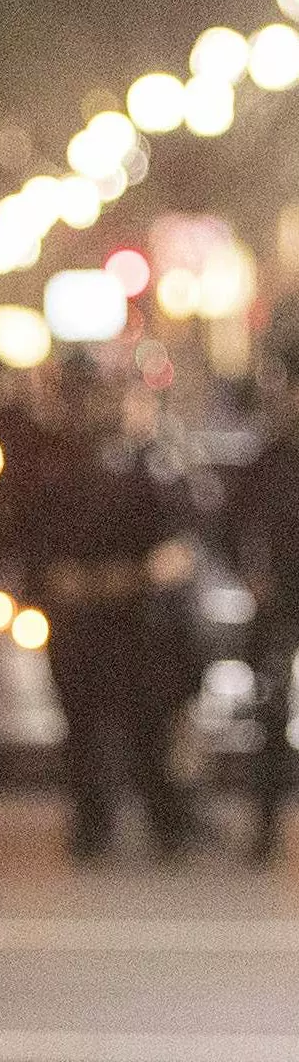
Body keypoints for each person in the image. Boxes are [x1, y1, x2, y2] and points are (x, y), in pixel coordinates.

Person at [20, 360, 197, 861]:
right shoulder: (52, 468)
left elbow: (171, 548)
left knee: (142, 726)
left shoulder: (144, 469)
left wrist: (129, 579)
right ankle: (98, 824)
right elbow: (34, 547)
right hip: (82, 619)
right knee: (84, 727)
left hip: (128, 620)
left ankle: (161, 820)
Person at [229, 346, 299, 860]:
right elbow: (234, 524)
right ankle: (264, 826)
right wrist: (252, 575)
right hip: (280, 597)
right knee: (270, 716)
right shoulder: (269, 458)